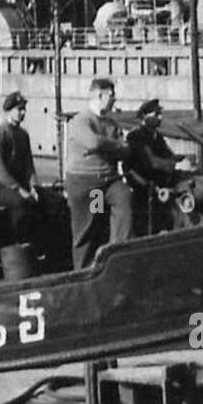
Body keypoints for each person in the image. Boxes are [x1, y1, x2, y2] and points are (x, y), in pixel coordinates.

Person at [65, 78, 133, 269]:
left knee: (124, 198)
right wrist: (110, 146)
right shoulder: (81, 121)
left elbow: (125, 150)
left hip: (107, 182)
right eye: (111, 95)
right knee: (89, 225)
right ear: (99, 95)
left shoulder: (111, 124)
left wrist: (107, 146)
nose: (114, 100)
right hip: (88, 184)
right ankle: (83, 268)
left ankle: (118, 255)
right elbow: (92, 142)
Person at [0, 91, 39, 243]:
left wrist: (34, 186)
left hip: (17, 180)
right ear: (9, 111)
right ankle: (18, 245)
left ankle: (38, 244)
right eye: (19, 109)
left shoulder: (23, 135)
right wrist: (20, 190)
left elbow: (28, 164)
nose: (23, 113)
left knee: (42, 200)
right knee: (20, 203)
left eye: (24, 109)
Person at [125, 98, 182, 234]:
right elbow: (151, 162)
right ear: (144, 116)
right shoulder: (136, 136)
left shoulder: (157, 137)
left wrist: (179, 159)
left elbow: (167, 155)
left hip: (161, 186)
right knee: (147, 226)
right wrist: (171, 164)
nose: (160, 117)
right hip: (144, 187)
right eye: (156, 114)